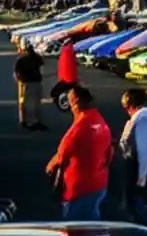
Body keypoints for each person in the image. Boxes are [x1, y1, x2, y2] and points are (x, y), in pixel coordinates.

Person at [46, 85, 112, 220]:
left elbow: (61, 157)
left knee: (74, 229)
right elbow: (109, 153)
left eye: (70, 104)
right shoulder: (100, 121)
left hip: (78, 189)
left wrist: (49, 167)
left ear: (76, 104)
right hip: (99, 184)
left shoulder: (77, 130)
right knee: (93, 220)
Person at [118, 87, 147, 227]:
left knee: (141, 207)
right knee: (139, 206)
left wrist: (141, 180)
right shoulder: (142, 116)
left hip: (140, 170)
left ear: (131, 105)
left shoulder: (142, 120)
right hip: (139, 167)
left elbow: (144, 152)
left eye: (125, 107)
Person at [14, 43, 46, 130]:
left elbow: (16, 72)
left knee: (24, 102)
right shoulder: (37, 58)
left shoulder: (21, 59)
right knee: (36, 103)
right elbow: (42, 69)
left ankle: (24, 120)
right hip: (35, 82)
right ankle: (36, 121)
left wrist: (19, 81)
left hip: (26, 83)